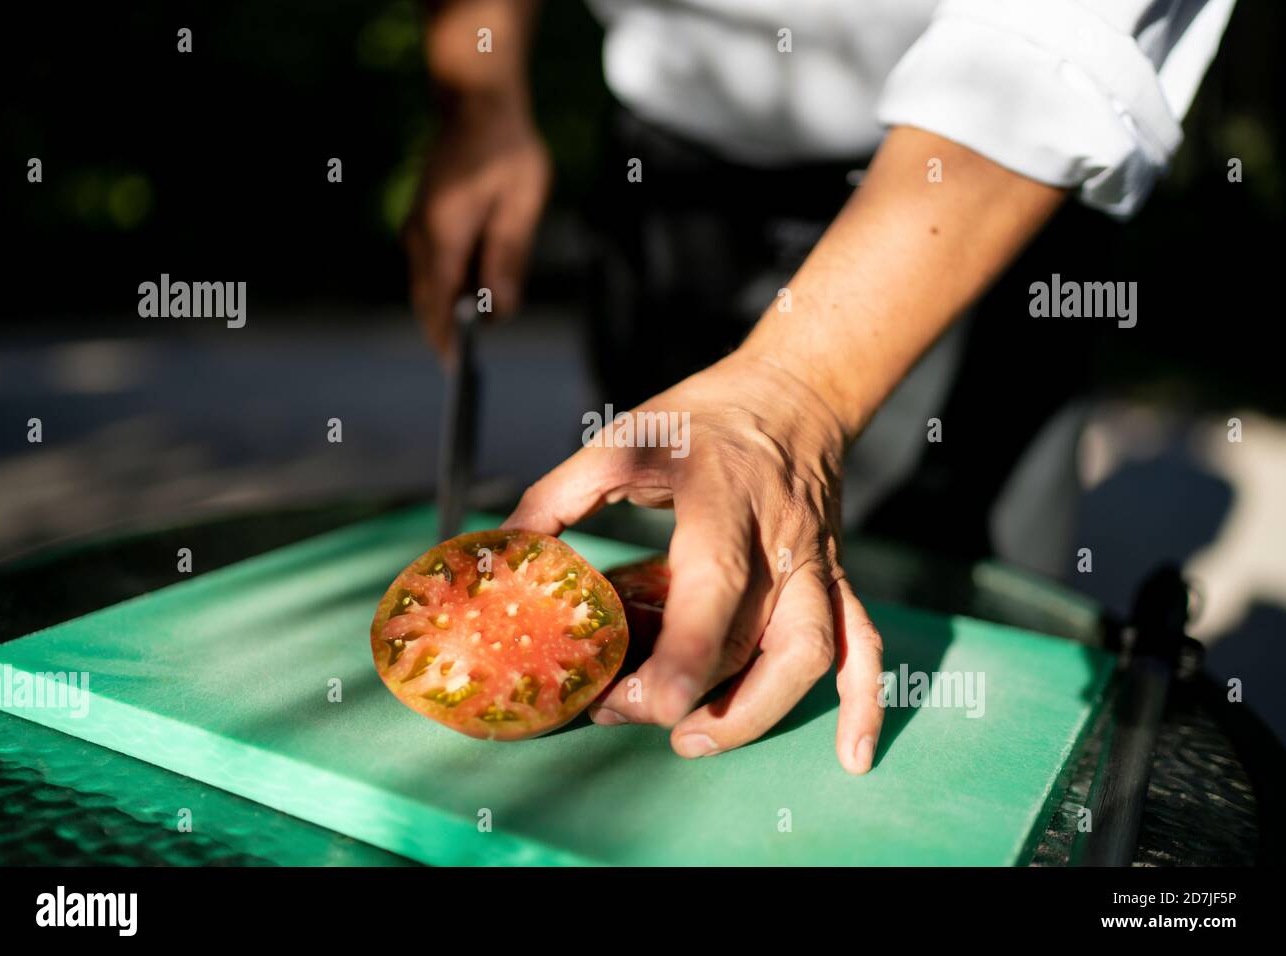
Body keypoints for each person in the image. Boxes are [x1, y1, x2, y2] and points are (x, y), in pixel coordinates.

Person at [403, 0, 1236, 774]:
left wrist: (790, 396)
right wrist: (480, 99)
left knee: (967, 648)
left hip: (979, 183)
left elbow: (1052, 34)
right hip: (668, 172)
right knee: (700, 594)